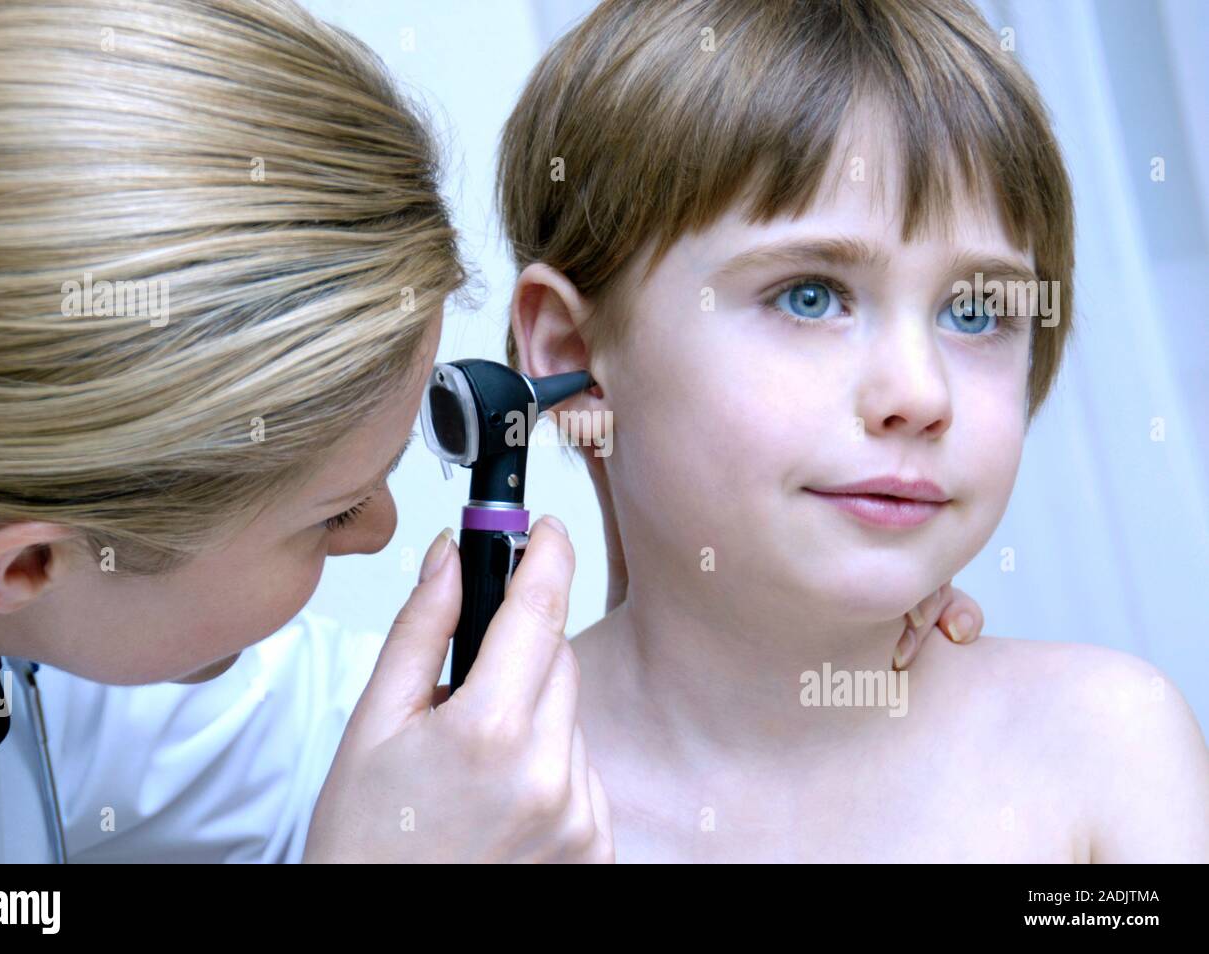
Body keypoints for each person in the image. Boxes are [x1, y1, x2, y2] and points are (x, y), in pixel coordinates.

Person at [0, 0, 981, 864]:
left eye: (975, 311)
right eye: (328, 512)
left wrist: (767, 639)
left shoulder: (70, 686)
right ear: (35, 561)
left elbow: (388, 745)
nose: (378, 529)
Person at [494, 0, 1209, 861]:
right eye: (809, 295)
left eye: (977, 311)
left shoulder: (1106, 752)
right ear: (572, 355)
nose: (918, 393)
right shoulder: (479, 804)